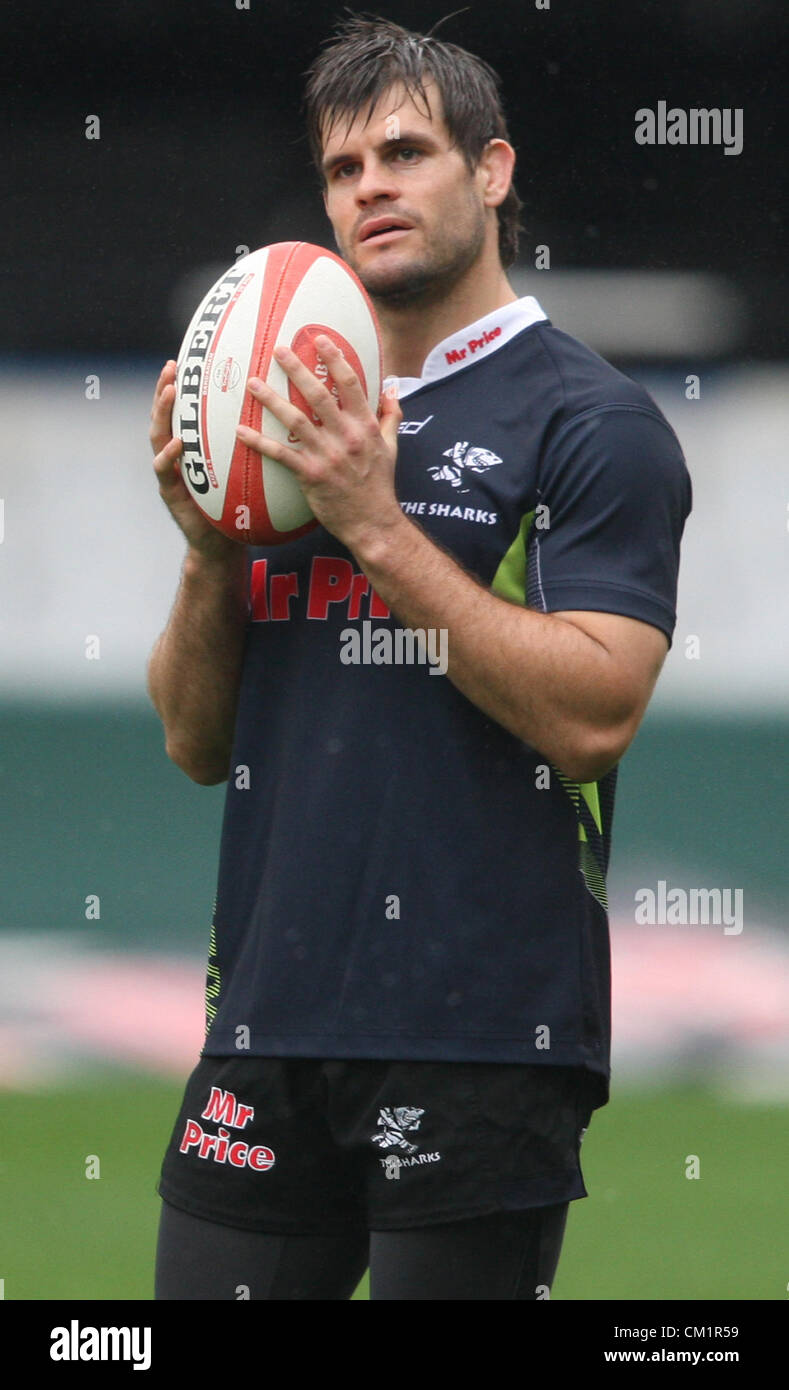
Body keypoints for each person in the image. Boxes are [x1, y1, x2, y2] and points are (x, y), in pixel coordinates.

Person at [148, 15, 691, 1300]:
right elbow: (191, 743)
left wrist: (375, 525)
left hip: (483, 1035)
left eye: (404, 152)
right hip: (266, 1024)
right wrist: (208, 548)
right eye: (343, 169)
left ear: (492, 172)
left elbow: (596, 715)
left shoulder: (592, 422)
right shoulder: (285, 420)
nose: (369, 187)